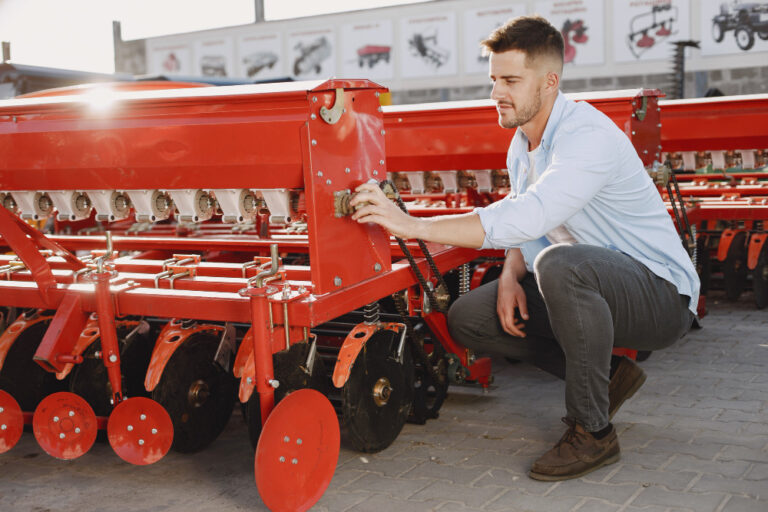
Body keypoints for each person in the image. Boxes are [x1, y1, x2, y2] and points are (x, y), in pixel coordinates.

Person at [349, 15, 699, 481]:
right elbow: (527, 218)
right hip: (586, 279)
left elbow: (529, 215)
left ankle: (593, 433)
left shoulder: (586, 137)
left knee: (561, 266)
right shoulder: (522, 144)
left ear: (550, 81)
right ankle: (610, 377)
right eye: (494, 79)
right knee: (471, 318)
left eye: (511, 80)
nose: (497, 92)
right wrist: (512, 274)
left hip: (659, 295)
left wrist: (409, 224)